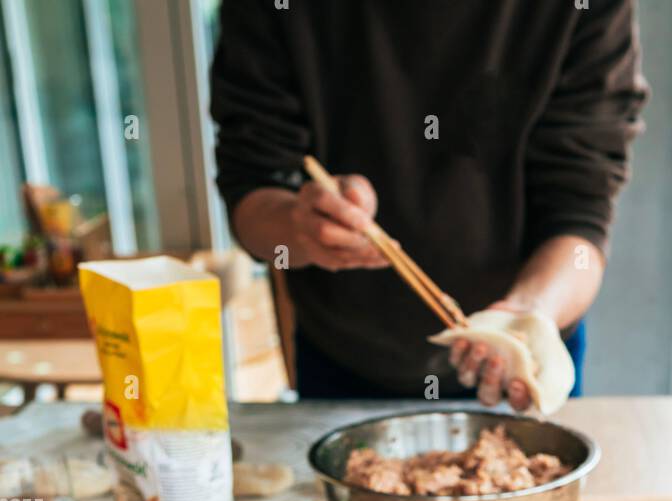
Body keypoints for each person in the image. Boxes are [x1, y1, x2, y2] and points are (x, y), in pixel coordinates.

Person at [211, 0, 647, 406]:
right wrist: (300, 228)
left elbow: (581, 212)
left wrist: (530, 317)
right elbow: (252, 186)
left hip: (528, 353)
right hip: (345, 360)